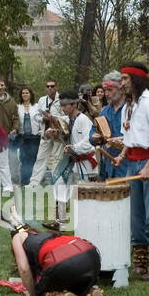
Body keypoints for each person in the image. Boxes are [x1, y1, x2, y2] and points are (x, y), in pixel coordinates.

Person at [110, 62, 149, 280]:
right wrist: (121, 156)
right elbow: (131, 137)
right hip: (133, 164)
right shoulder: (129, 106)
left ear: (136, 80)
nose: (121, 83)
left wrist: (148, 166)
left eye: (125, 79)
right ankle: (141, 263)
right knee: (135, 218)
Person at [2, 211, 107, 296]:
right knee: (77, 283)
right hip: (91, 255)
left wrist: (33, 293)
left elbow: (24, 268)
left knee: (41, 293)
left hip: (61, 261)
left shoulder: (17, 237)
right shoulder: (46, 235)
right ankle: (92, 291)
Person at [53, 89, 96, 222]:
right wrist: (52, 133)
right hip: (72, 162)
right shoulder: (65, 120)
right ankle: (61, 218)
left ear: (74, 105)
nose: (63, 108)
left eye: (66, 105)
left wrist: (74, 148)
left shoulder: (84, 120)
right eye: (61, 105)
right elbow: (59, 133)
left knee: (82, 193)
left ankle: (86, 220)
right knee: (59, 183)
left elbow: (90, 142)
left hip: (85, 163)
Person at [30, 80, 66, 188]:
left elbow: (66, 117)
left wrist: (55, 118)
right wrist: (43, 118)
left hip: (58, 134)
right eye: (48, 86)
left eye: (52, 86)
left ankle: (57, 183)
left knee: (57, 158)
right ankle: (34, 183)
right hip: (45, 133)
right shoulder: (41, 100)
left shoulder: (62, 99)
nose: (50, 88)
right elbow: (35, 116)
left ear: (56, 87)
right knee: (40, 158)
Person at [93, 72, 125, 181]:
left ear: (121, 89)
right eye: (105, 90)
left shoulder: (131, 109)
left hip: (128, 164)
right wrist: (94, 137)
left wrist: (122, 140)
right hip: (108, 164)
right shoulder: (104, 111)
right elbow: (93, 131)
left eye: (110, 90)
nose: (106, 93)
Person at [15, 86, 41, 185]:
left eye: (27, 93)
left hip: (35, 137)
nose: (25, 94)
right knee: (24, 159)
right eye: (23, 93)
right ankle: (25, 182)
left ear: (30, 95)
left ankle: (34, 182)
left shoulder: (37, 106)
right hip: (22, 137)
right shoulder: (17, 107)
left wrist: (41, 131)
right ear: (21, 95)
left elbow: (41, 120)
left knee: (34, 159)